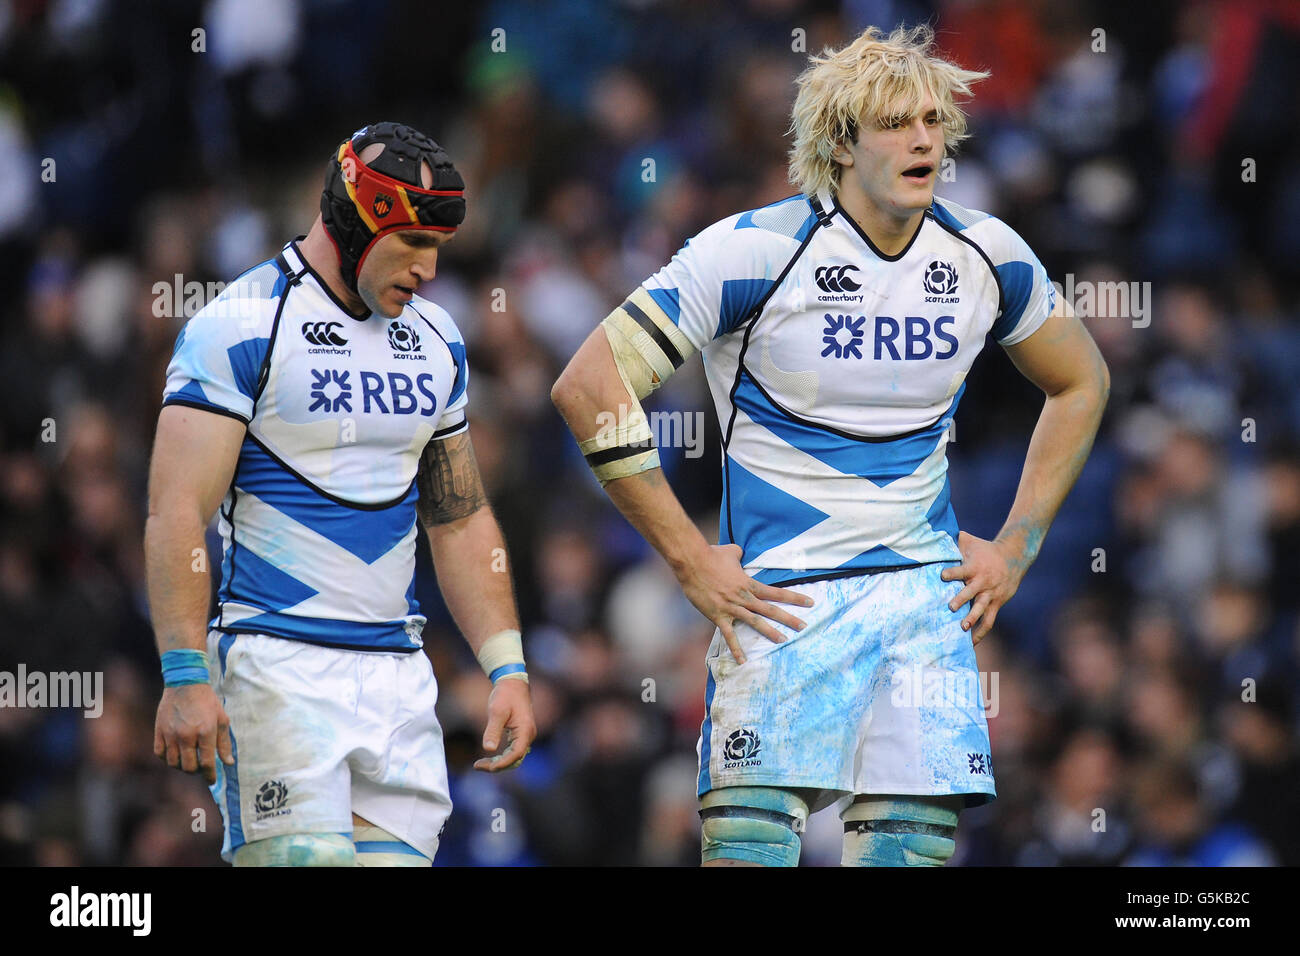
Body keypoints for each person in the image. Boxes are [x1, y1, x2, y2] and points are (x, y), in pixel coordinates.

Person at [551, 25, 1109, 867]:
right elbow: (588, 385)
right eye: (895, 122)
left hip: (922, 607)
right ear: (840, 143)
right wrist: (689, 558)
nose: (924, 139)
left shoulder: (987, 254)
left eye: (932, 120)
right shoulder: (754, 250)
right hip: (781, 603)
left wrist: (1016, 547)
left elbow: (1082, 382)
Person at [146, 122, 535, 867]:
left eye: (437, 249)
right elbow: (175, 513)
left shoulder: (438, 341)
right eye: (413, 243)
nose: (427, 268)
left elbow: (458, 518)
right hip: (276, 667)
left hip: (396, 673)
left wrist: (507, 667)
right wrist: (185, 672)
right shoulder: (239, 324)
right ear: (358, 221)